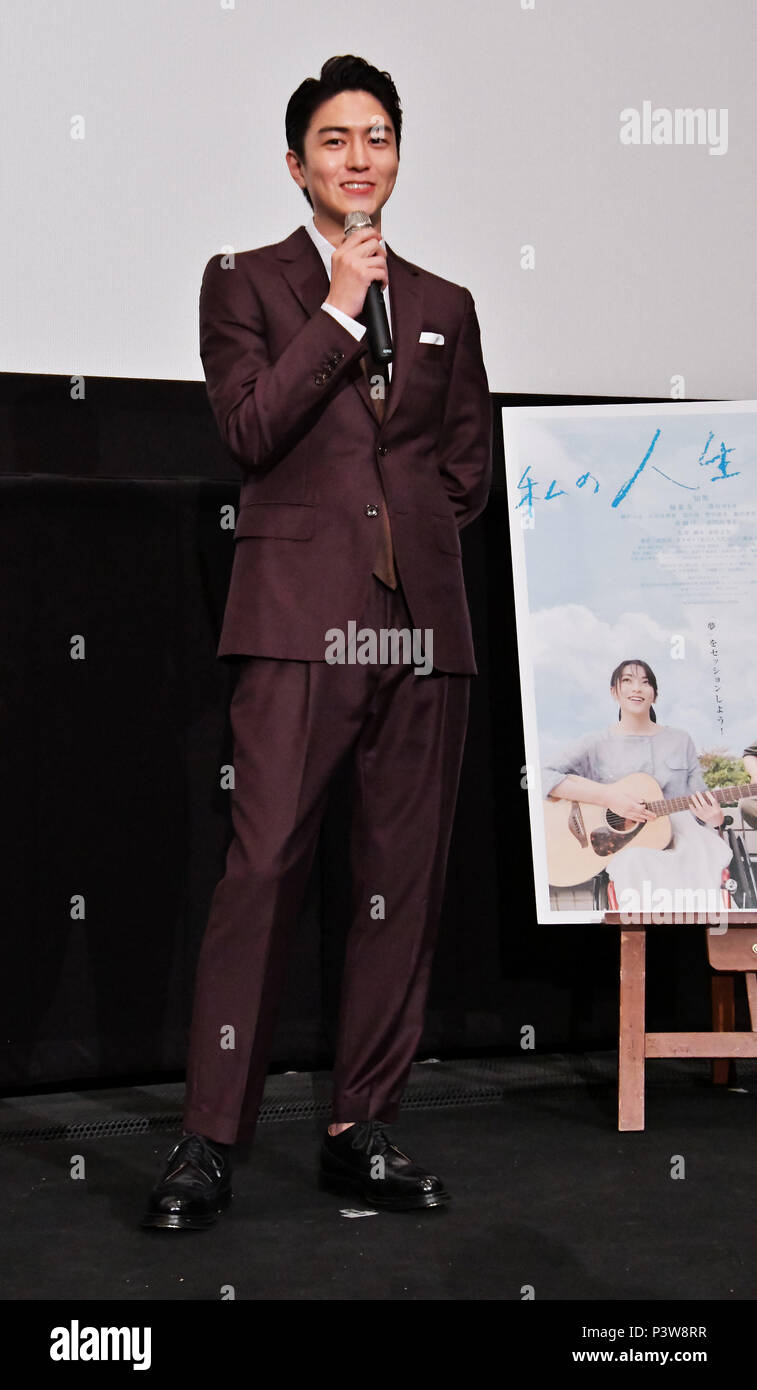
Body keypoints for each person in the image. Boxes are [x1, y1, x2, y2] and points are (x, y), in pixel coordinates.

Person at [141, 55, 492, 1229]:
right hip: (299, 626)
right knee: (263, 873)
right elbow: (251, 427)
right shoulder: (244, 282)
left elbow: (464, 471)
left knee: (399, 882)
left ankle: (364, 1127)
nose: (360, 157)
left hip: (419, 634)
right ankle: (208, 1139)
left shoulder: (445, 304)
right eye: (336, 140)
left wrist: (419, 553)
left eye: (378, 136)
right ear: (298, 164)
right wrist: (340, 308)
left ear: (398, 155)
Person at [542, 659, 732, 910]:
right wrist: (609, 798)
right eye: (628, 681)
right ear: (614, 692)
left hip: (686, 837)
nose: (637, 688)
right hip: (627, 846)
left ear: (655, 694)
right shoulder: (596, 742)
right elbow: (543, 775)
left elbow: (701, 800)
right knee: (634, 861)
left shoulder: (680, 739)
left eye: (645, 682)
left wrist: (714, 818)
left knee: (700, 854)